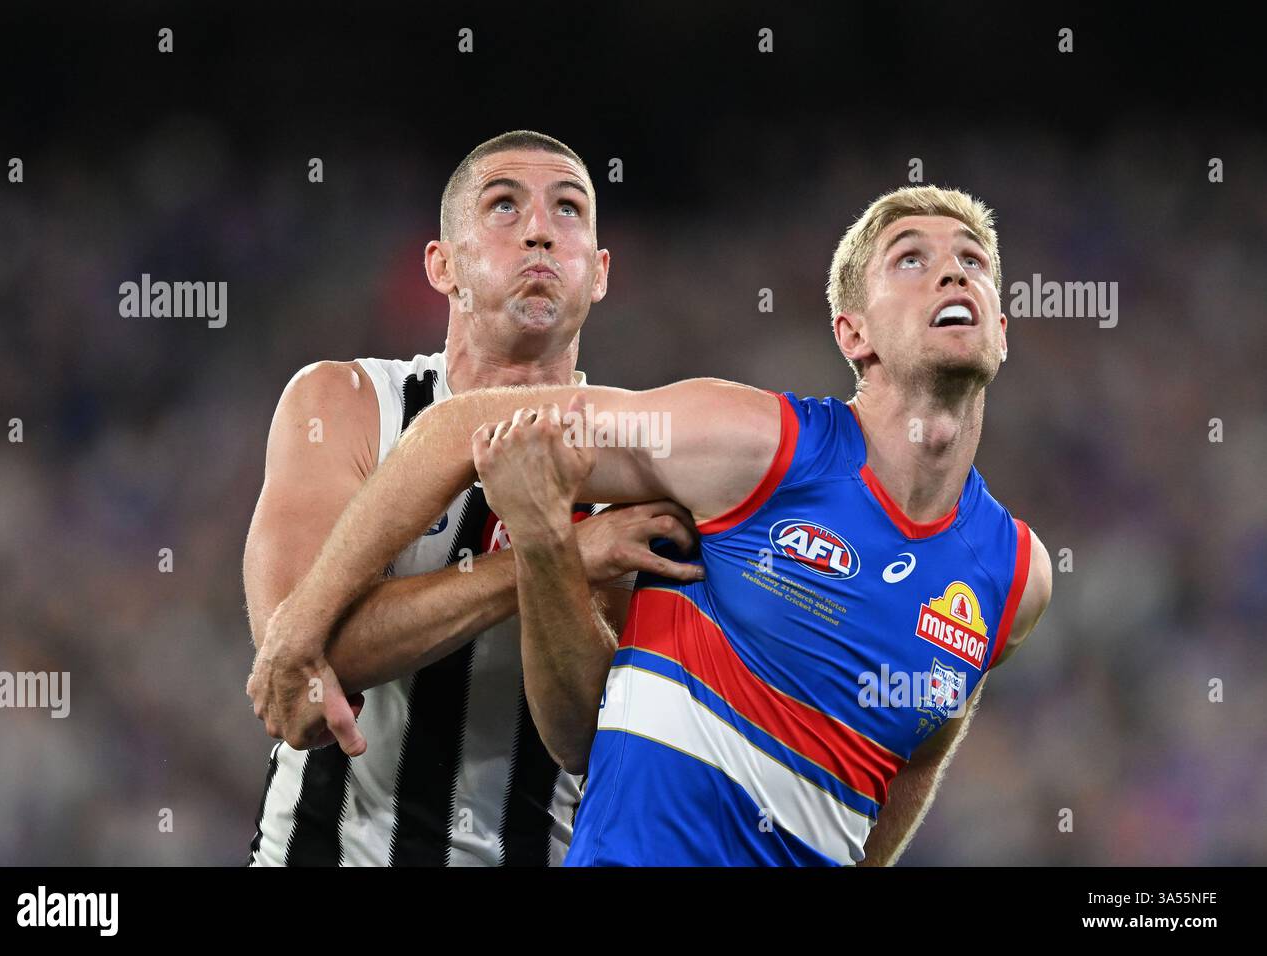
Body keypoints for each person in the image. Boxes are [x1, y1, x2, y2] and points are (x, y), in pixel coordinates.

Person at [249, 185, 1053, 866]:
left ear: (1003, 329)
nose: (952, 269)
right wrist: (301, 627)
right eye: (910, 258)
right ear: (854, 333)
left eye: (974, 262)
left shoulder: (1017, 576)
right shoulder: (754, 446)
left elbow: (908, 768)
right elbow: (457, 431)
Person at [242, 130, 700, 866]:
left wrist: (549, 547)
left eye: (569, 210)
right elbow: (299, 666)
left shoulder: (641, 464)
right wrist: (558, 556)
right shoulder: (345, 404)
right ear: (442, 265)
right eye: (503, 206)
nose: (541, 232)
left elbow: (586, 730)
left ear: (600, 272)